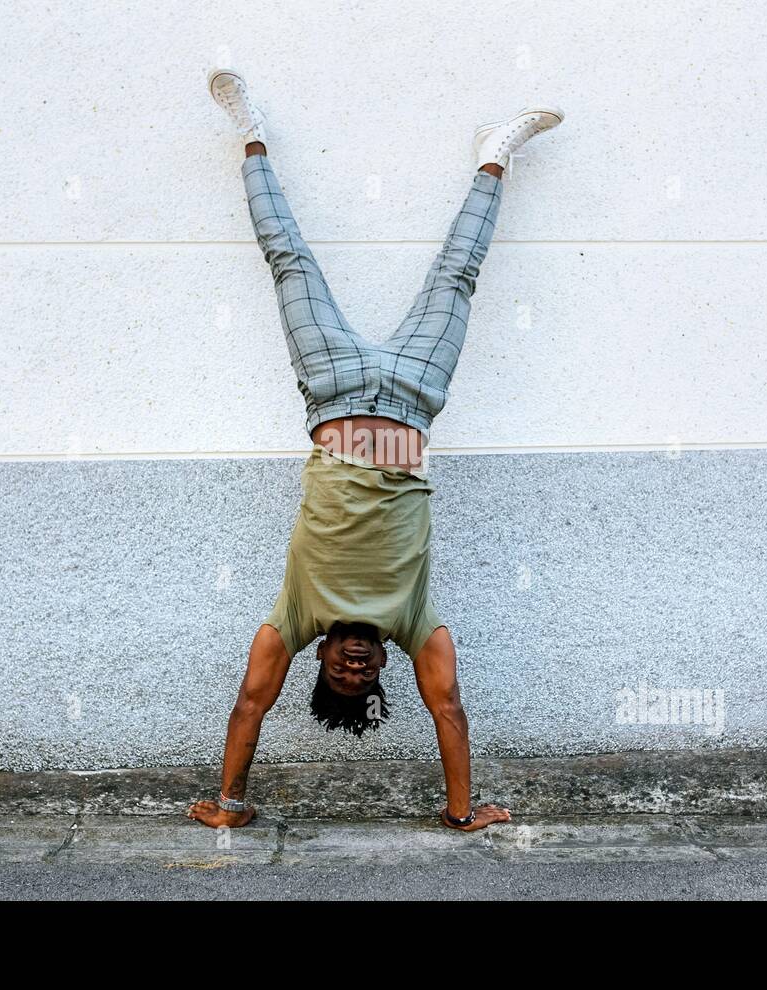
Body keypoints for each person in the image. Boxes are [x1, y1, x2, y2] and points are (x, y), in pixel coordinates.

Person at [188, 69, 563, 832]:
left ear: (321, 663)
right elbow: (449, 708)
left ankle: (251, 133)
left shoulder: (295, 617)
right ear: (387, 666)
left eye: (341, 672)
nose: (354, 667)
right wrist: (462, 812)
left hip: (331, 389)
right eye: (365, 674)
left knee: (288, 263)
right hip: (416, 397)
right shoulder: (414, 621)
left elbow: (248, 703)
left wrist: (230, 804)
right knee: (458, 278)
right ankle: (495, 156)